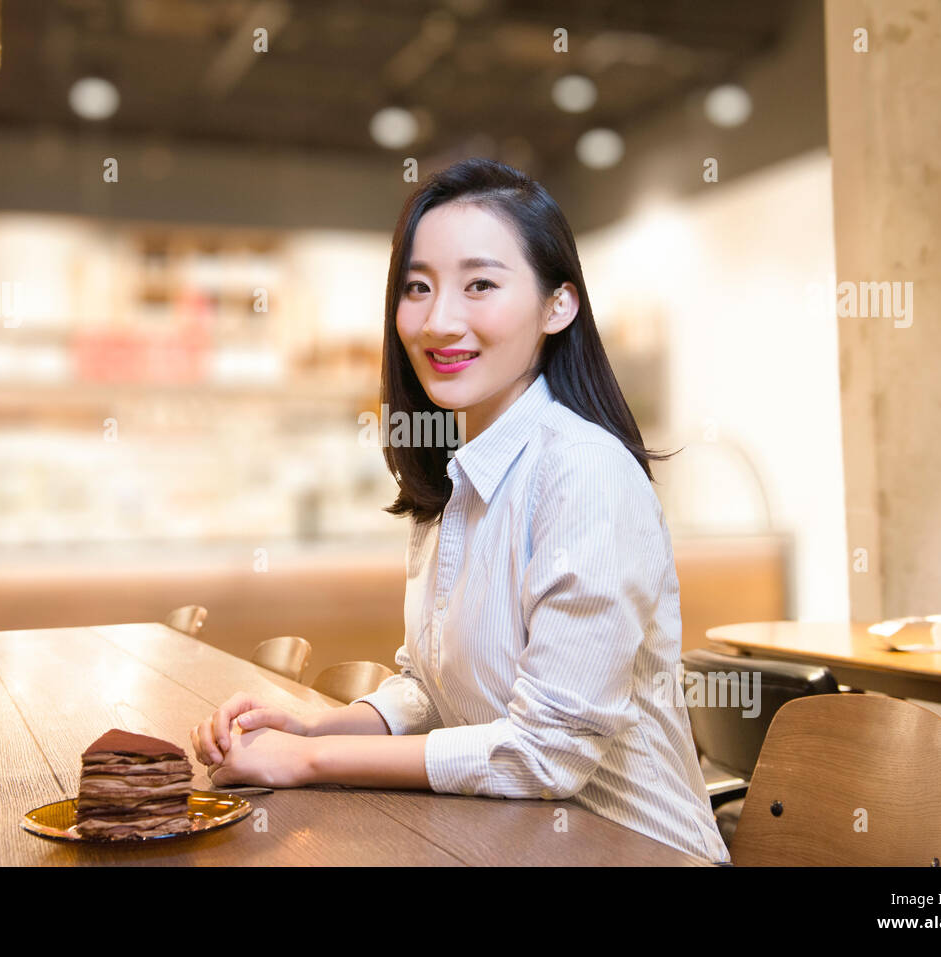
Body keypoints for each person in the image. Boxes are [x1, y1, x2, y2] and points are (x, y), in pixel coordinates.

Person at [190, 156, 729, 863]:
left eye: (480, 284)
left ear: (557, 305)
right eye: (418, 287)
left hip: (637, 850)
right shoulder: (450, 478)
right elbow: (429, 685)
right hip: (496, 842)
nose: (440, 320)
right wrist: (315, 725)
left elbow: (547, 753)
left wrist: (307, 762)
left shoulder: (584, 471)